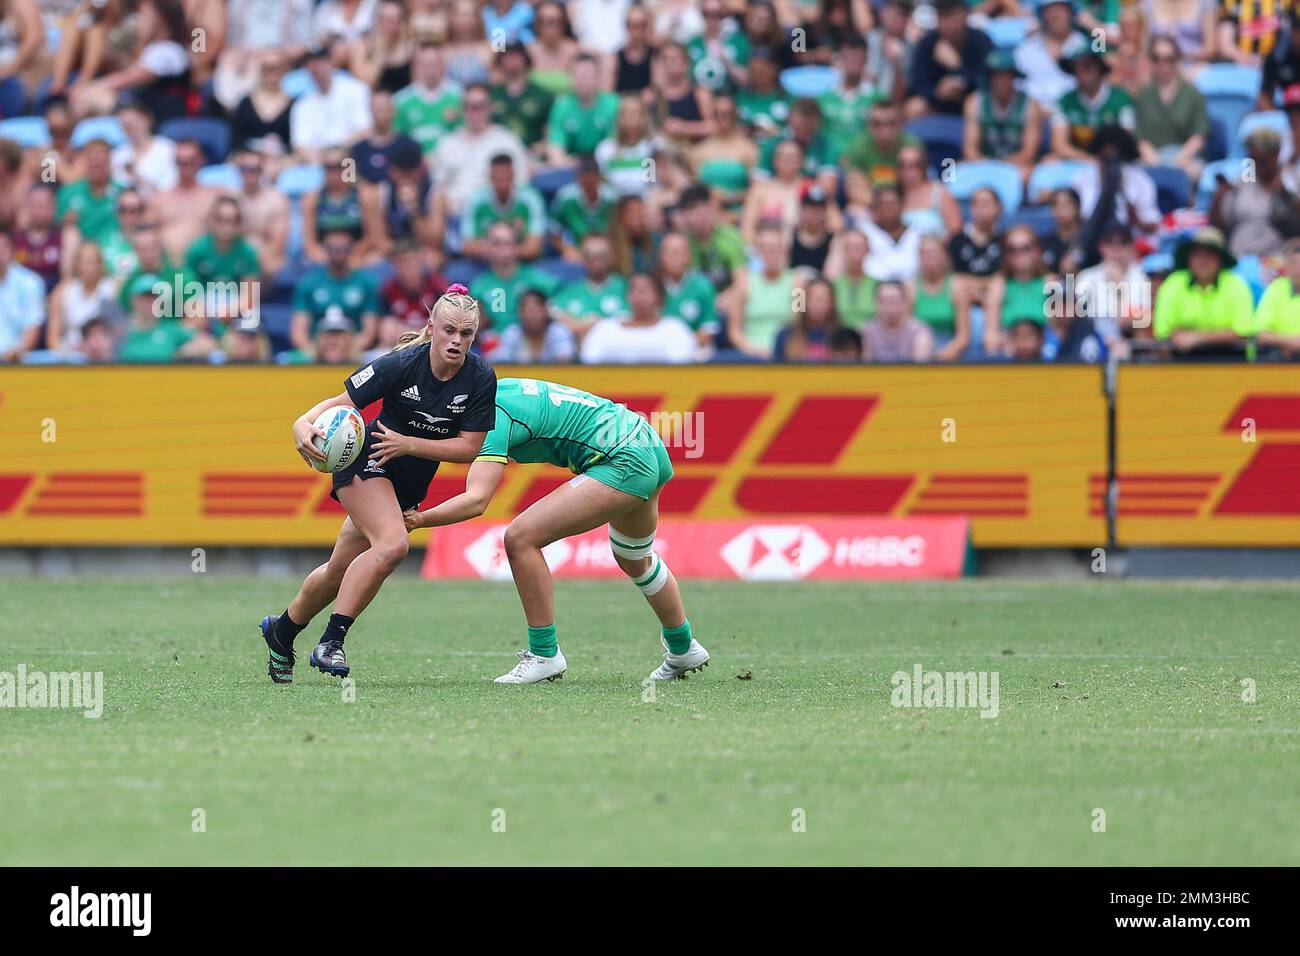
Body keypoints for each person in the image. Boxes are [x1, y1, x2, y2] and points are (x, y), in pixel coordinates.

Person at [401, 375, 710, 684]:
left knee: (520, 538)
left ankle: (545, 654)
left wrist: (419, 520)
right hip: (644, 439)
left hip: (623, 457)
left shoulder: (487, 415)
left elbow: (476, 500)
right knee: (635, 558)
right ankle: (683, 647)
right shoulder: (495, 388)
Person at [262, 285, 497, 683]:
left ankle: (281, 631)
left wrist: (409, 444)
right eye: (449, 330)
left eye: (466, 334)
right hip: (365, 463)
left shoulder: (479, 378)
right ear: (431, 327)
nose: (456, 340)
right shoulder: (400, 364)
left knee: (339, 570)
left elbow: (468, 448)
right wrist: (301, 422)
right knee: (392, 545)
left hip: (407, 485)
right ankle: (331, 642)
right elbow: (342, 401)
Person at [1153, 227, 1255, 358]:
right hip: (1182, 360)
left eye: (1210, 255)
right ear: (1189, 258)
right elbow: (1163, 332)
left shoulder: (1236, 284)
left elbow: (1243, 331)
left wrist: (1197, 337)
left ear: (1220, 259)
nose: (1203, 260)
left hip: (1230, 361)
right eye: (1197, 254)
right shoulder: (1174, 283)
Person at [1211, 127, 1300, 259]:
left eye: (1263, 160)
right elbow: (1221, 226)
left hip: (1279, 258)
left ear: (1276, 155)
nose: (1258, 166)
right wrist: (1218, 200)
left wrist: (1286, 196)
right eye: (1253, 159)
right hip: (1240, 257)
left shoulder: (1292, 179)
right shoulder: (1243, 182)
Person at [290, 230, 380, 352]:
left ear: (351, 249)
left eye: (343, 248)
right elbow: (298, 331)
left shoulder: (366, 283)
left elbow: (369, 332)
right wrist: (315, 354)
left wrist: (348, 354)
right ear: (325, 250)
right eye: (332, 248)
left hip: (355, 353)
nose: (338, 253)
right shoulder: (308, 283)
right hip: (316, 352)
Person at [1133, 35, 1208, 181]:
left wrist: (1178, 162)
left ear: (1177, 60)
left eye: (1169, 58)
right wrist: (1155, 162)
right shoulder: (1144, 94)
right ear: (1151, 61)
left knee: (1193, 174)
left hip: (1185, 159)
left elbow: (1200, 135)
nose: (1163, 64)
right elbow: (1139, 137)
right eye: (1157, 58)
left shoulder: (1192, 93)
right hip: (1152, 159)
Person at [963, 51, 1044, 184]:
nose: (1002, 81)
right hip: (984, 162)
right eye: (997, 76)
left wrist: (1003, 165)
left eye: (1007, 75)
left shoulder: (1030, 105)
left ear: (1014, 77)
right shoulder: (974, 102)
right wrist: (987, 164)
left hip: (1016, 164)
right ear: (989, 78)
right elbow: (970, 149)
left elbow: (1029, 152)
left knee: (1026, 175)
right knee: (957, 172)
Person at [579, 272, 695, 363]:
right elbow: (589, 361)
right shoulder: (605, 328)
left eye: (644, 290)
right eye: (634, 290)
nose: (639, 296)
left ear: (659, 296)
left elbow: (681, 372)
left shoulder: (675, 329)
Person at [904, 0, 992, 119]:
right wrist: (937, 92)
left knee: (976, 104)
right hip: (937, 103)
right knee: (914, 107)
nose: (946, 23)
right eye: (941, 16)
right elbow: (916, 84)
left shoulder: (981, 41)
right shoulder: (928, 42)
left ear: (965, 15)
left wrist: (958, 66)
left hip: (969, 102)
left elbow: (988, 82)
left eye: (951, 15)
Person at [289, 45, 373, 161]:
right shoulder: (302, 104)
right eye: (311, 63)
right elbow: (300, 145)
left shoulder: (356, 90)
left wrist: (337, 152)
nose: (316, 67)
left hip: (352, 157)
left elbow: (365, 130)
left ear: (331, 62)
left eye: (320, 61)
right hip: (318, 163)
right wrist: (325, 160)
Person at [1050, 50, 1136, 161]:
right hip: (1076, 161)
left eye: (1088, 65)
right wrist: (1089, 159)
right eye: (1078, 65)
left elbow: (1126, 141)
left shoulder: (1121, 100)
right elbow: (1060, 146)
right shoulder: (1064, 102)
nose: (1083, 70)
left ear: (1100, 67)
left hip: (1112, 164)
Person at [984, 226, 1050, 356]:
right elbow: (990, 337)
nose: (1019, 254)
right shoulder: (998, 284)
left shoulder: (1052, 283)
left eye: (1026, 248)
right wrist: (1009, 344)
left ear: (1038, 250)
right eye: (1012, 250)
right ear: (1006, 255)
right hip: (1009, 354)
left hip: (1046, 355)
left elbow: (1061, 334)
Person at [46, 240, 114, 353]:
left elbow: (119, 331)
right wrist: (65, 355)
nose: (90, 268)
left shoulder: (113, 290)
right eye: (85, 262)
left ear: (100, 264)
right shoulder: (63, 292)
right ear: (77, 265)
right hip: (70, 356)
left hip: (103, 356)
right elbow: (52, 338)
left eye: (94, 262)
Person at [492, 289, 577, 362]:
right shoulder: (512, 333)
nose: (532, 317)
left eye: (536, 311)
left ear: (546, 310)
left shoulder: (558, 331)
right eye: (528, 311)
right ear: (519, 313)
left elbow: (565, 363)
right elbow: (501, 363)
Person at [774, 275, 843, 361]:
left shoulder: (843, 337)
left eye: (823, 299)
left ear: (832, 303)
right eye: (813, 299)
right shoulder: (785, 335)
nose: (818, 305)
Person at [863, 279, 934, 362]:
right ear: (875, 302)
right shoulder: (866, 332)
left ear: (905, 302)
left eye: (893, 300)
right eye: (883, 300)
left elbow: (920, 369)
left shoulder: (920, 331)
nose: (888, 305)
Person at [0, 229, 44, 362]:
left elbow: (32, 329)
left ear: (11, 251)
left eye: (2, 249)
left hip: (18, 361)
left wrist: (18, 351)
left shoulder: (30, 282)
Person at [1255, 237, 1300, 358]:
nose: (1298, 269)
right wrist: (1290, 342)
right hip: (1281, 354)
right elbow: (1260, 333)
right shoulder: (1276, 288)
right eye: (1293, 262)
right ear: (1285, 265)